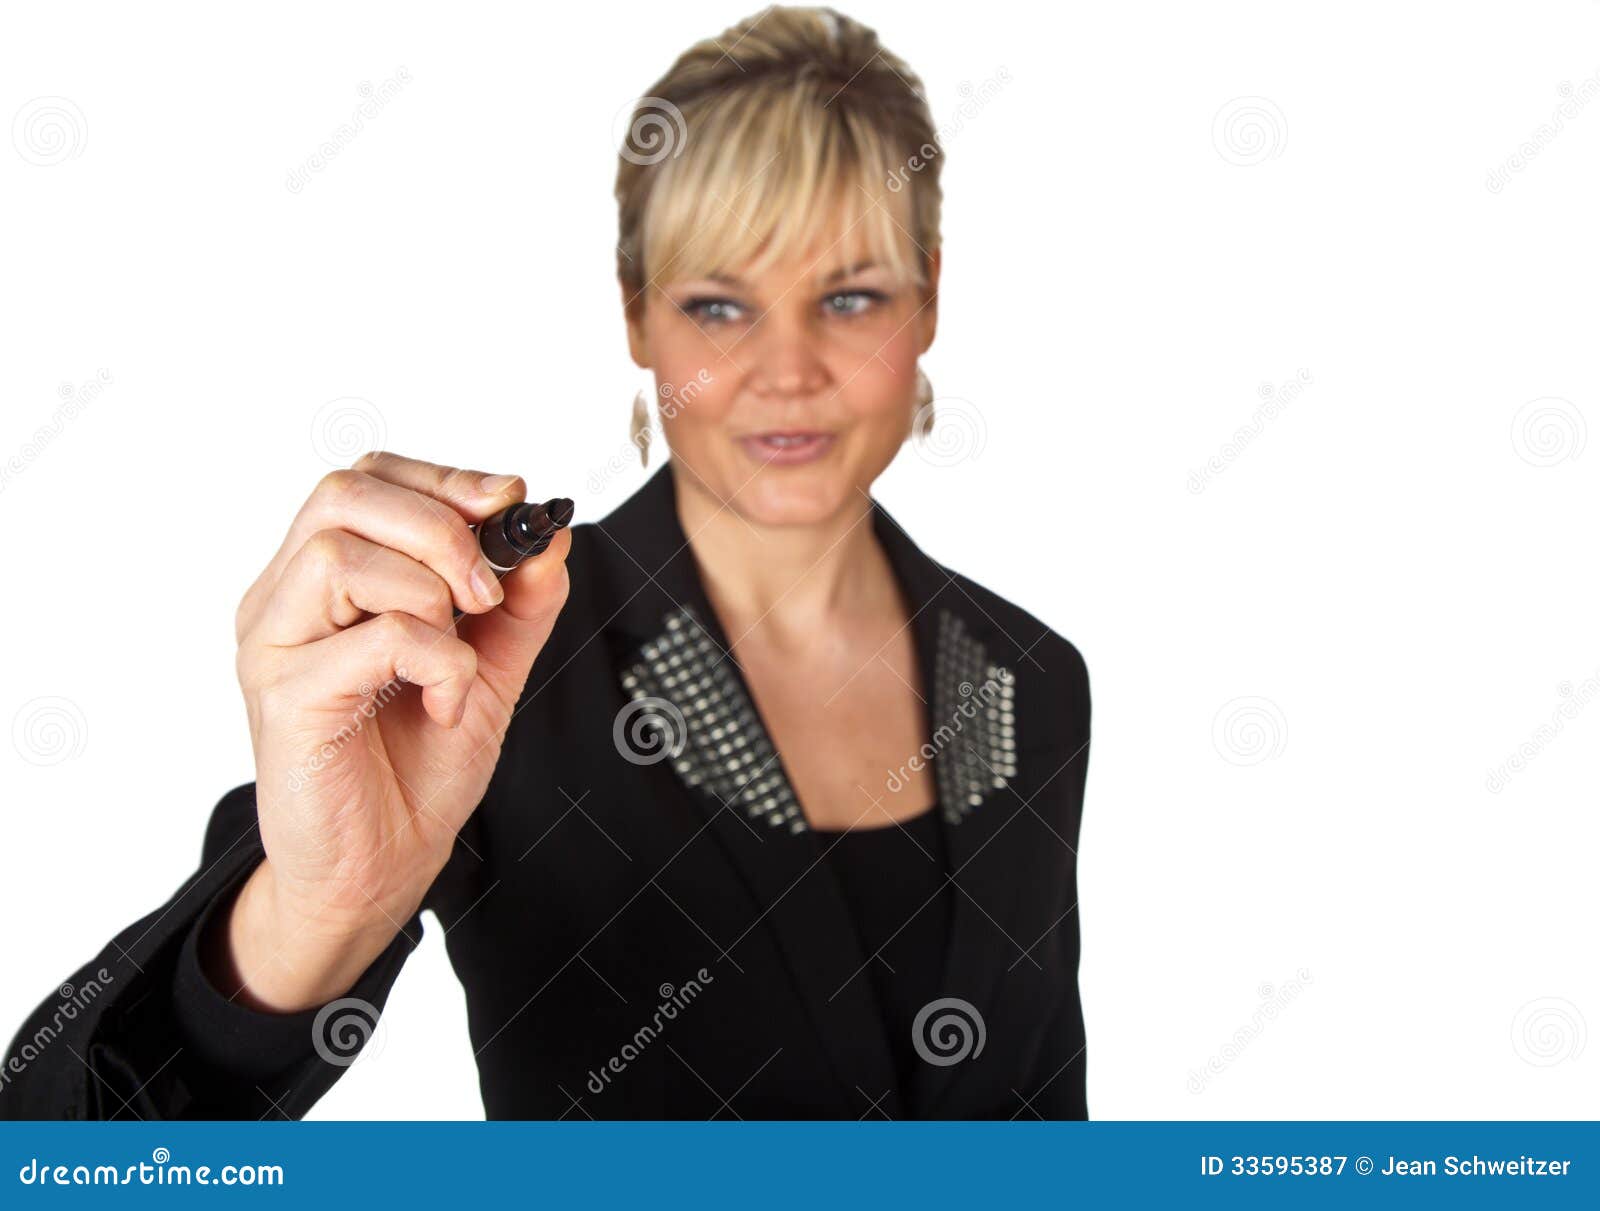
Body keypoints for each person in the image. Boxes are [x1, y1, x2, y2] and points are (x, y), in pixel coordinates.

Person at [0, 5, 1091, 1120]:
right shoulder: (488, 652)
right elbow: (45, 1148)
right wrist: (317, 912)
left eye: (849, 296)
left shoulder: (1032, 675)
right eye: (718, 304)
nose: (787, 368)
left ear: (930, 297)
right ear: (636, 316)